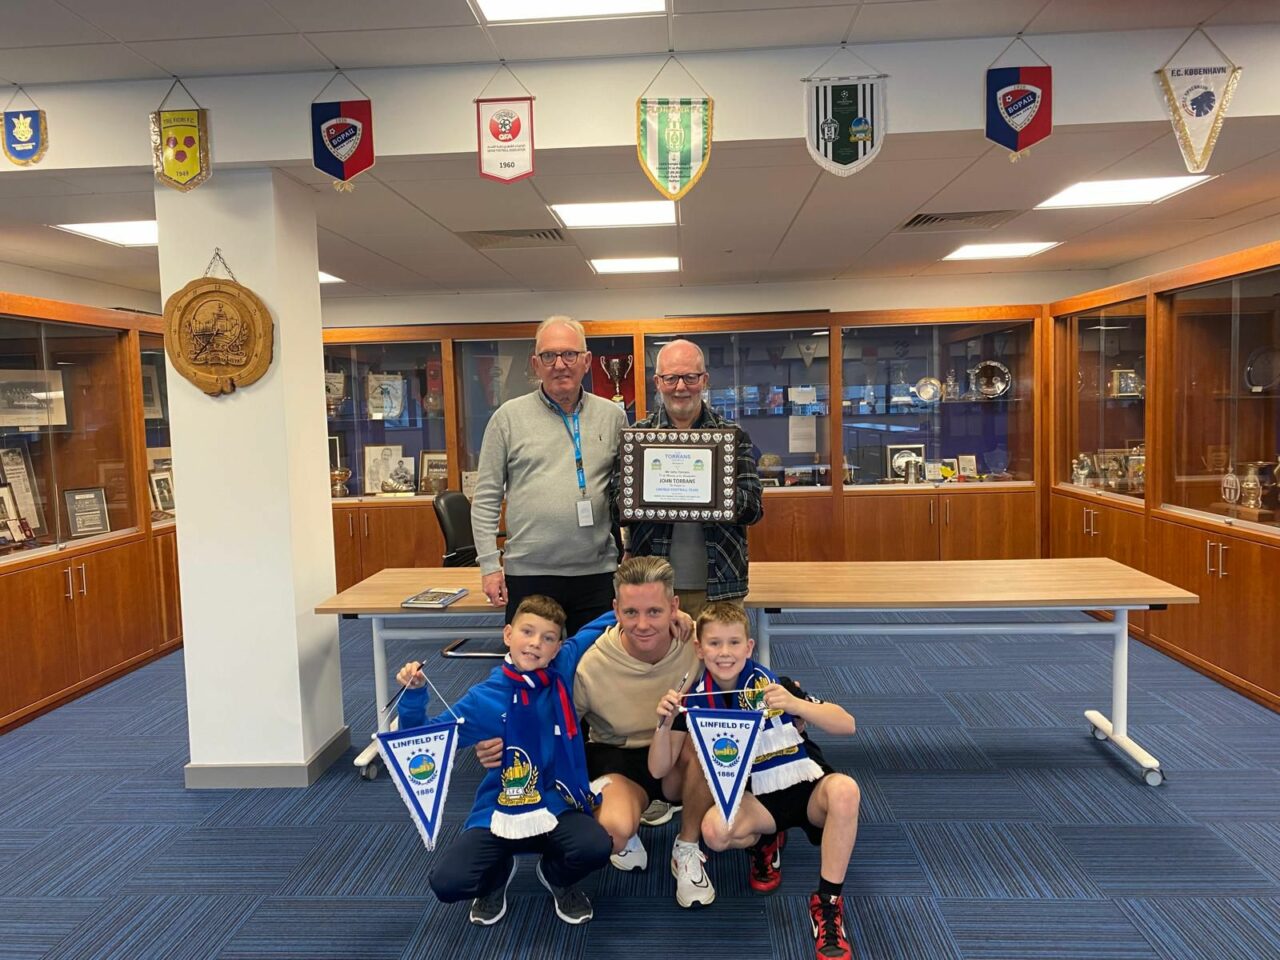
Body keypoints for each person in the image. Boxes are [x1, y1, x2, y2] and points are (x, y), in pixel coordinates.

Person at [474, 556, 716, 909]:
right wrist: (498, 742)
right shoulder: (591, 665)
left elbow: (738, 669)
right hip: (618, 758)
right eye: (631, 612)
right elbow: (547, 724)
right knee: (611, 834)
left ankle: (687, 848)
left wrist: (789, 697)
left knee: (708, 737)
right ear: (615, 609)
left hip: (677, 756)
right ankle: (629, 825)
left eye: (655, 612)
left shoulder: (695, 643)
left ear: (674, 607)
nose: (644, 624)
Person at [649, 601, 861, 960]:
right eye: (714, 643)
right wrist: (664, 723)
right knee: (715, 833)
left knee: (846, 790)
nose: (725, 653)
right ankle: (766, 839)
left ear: (749, 647)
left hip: (807, 787)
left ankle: (827, 903)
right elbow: (657, 770)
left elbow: (848, 724)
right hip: (759, 799)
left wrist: (798, 705)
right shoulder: (693, 702)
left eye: (734, 643)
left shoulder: (775, 685)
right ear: (699, 649)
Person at [395, 595, 615, 926]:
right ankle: (496, 877)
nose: (536, 644)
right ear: (508, 634)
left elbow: (600, 626)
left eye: (548, 638)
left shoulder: (562, 669)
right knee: (448, 883)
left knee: (597, 846)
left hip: (556, 804)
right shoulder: (482, 699)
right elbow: (423, 741)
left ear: (558, 647)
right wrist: (413, 696)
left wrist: (660, 612)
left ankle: (556, 875)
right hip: (498, 811)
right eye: (527, 632)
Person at [472, 315, 628, 635]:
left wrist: (632, 550)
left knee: (595, 673)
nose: (560, 364)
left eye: (569, 354)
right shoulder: (507, 418)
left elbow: (626, 491)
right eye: (549, 356)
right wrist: (489, 566)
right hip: (530, 574)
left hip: (597, 575)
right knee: (532, 671)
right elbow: (486, 497)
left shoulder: (614, 417)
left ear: (586, 361)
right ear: (535, 364)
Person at [612, 338, 763, 618]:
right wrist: (641, 492)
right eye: (671, 378)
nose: (681, 387)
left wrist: (714, 488)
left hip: (721, 585)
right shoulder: (638, 438)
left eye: (690, 377)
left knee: (721, 662)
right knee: (658, 662)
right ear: (657, 382)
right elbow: (615, 506)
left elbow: (754, 508)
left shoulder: (732, 436)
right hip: (654, 588)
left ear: (704, 380)